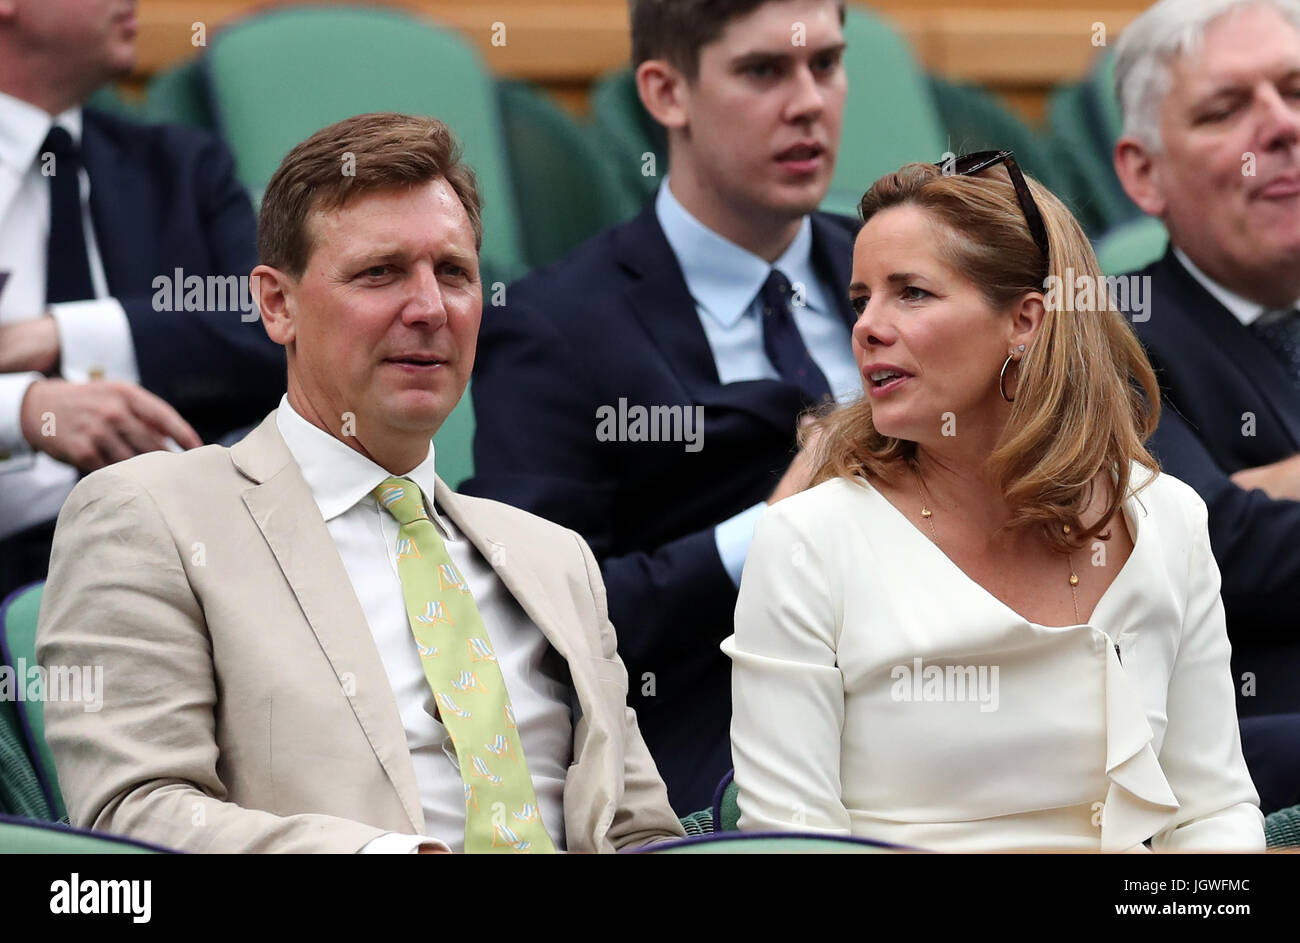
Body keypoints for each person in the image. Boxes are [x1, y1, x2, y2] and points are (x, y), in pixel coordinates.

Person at [36, 113, 684, 854]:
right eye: (380, 273)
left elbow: (639, 831)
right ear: (277, 304)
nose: (429, 309)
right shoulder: (151, 516)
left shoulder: (554, 557)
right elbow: (135, 812)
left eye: (454, 273)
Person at [724, 155, 1265, 851]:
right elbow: (792, 842)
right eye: (862, 300)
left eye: (911, 293)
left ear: (1026, 320)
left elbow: (1213, 809)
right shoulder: (807, 539)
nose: (868, 326)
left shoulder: (1169, 520)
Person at [462, 0, 857, 813]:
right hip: (717, 757)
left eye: (826, 63)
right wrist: (774, 530)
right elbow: (536, 621)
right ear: (666, 91)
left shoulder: (908, 271)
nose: (809, 101)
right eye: (763, 70)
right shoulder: (556, 328)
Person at [0, 0, 286, 599]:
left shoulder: (181, 166)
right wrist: (23, 409)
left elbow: (279, 324)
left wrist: (68, 334)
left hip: (186, 559)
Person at [1111, 0, 1300, 810]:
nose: (1282, 127)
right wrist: (1247, 499)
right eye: (1227, 110)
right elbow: (1220, 546)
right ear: (1143, 172)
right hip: (1247, 746)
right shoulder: (1104, 333)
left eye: (1297, 91)